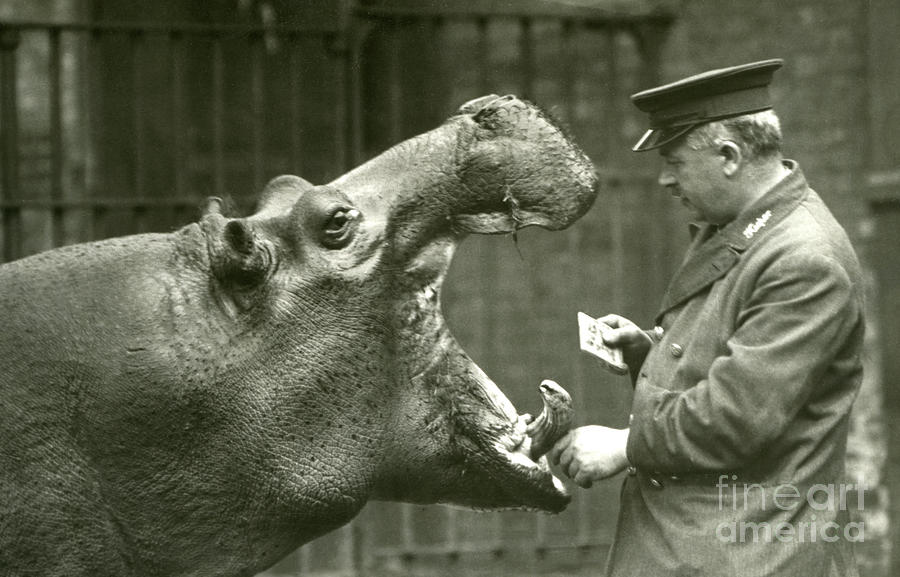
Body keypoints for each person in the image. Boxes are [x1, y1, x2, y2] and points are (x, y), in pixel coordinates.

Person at [549, 59, 865, 576]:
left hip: (753, 552)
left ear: (729, 156)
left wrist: (624, 444)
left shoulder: (805, 259)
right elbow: (736, 353)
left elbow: (738, 416)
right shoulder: (739, 226)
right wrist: (645, 348)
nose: (664, 179)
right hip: (704, 545)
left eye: (674, 160)